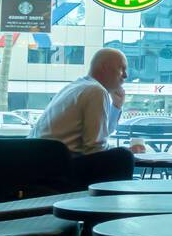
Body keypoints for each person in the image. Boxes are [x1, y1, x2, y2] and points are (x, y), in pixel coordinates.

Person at [31, 48, 138, 187]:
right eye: (122, 68)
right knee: (123, 157)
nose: (126, 75)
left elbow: (101, 134)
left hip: (41, 162)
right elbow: (94, 148)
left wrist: (116, 106)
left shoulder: (78, 86)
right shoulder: (96, 91)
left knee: (120, 155)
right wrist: (121, 152)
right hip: (58, 168)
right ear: (104, 67)